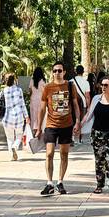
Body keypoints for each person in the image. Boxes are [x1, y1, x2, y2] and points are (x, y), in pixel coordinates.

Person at [34, 60, 83, 195]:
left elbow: (75, 104)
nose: (57, 73)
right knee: (49, 154)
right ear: (52, 72)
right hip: (51, 125)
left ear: (64, 72)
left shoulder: (70, 85)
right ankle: (49, 183)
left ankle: (60, 182)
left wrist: (78, 121)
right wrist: (38, 128)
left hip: (66, 125)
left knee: (64, 154)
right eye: (55, 70)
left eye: (59, 70)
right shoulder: (48, 87)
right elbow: (42, 109)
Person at [0, 73, 29, 161]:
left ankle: (12, 155)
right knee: (19, 135)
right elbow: (23, 104)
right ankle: (15, 147)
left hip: (8, 117)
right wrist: (26, 116)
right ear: (14, 80)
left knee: (9, 138)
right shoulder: (19, 90)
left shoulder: (4, 91)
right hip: (19, 117)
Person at [29, 65, 46, 137]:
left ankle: (34, 132)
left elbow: (30, 91)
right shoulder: (43, 81)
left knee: (33, 116)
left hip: (33, 100)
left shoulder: (32, 80)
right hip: (41, 100)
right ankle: (40, 132)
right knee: (41, 116)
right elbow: (45, 92)